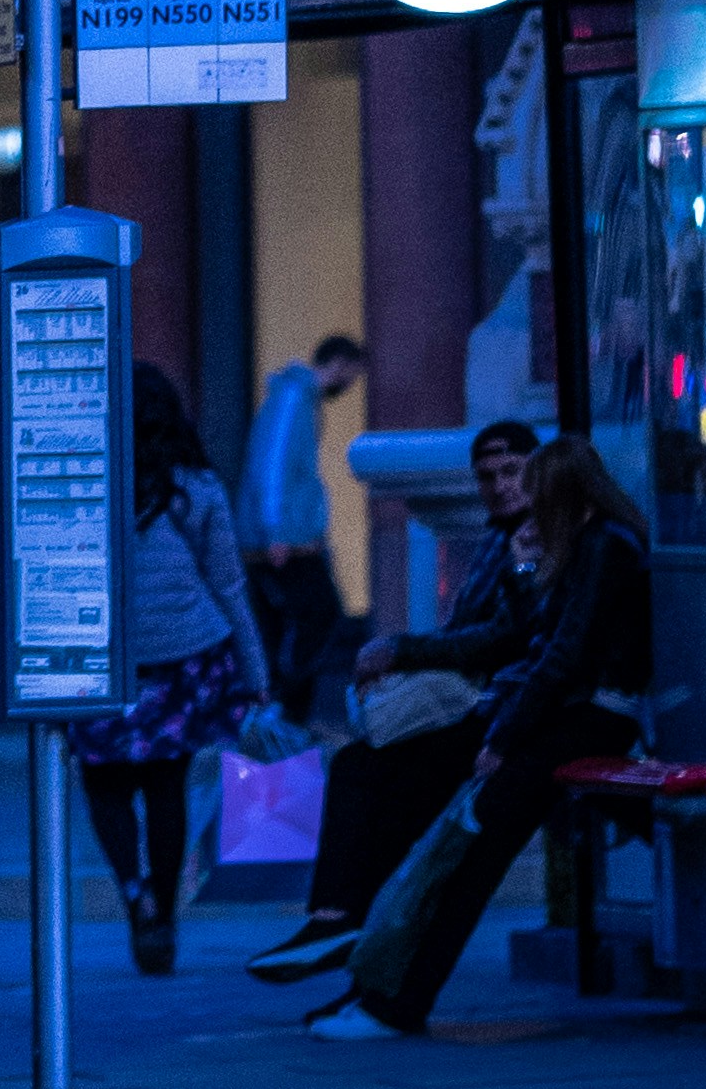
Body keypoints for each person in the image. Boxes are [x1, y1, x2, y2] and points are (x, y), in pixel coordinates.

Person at [313, 430, 653, 1034]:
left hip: (590, 718)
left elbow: (561, 657)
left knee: (474, 847)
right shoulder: (591, 543)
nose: (524, 504)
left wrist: (503, 740)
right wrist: (526, 567)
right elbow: (536, 634)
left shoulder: (605, 546)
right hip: (569, 717)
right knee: (460, 845)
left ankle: (399, 1000)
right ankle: (382, 988)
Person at [243, 418, 544, 980]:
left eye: (512, 471)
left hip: (514, 715)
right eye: (487, 477)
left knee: (387, 774)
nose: (500, 485)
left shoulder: (539, 537)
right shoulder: (503, 537)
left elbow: (514, 635)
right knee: (364, 765)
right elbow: (476, 628)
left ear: (540, 470)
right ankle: (339, 919)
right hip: (488, 705)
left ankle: (344, 922)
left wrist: (406, 652)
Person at [74, 369, 279, 976]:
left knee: (103, 783)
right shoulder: (198, 488)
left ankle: (133, 889)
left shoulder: (92, 481)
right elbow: (229, 586)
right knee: (166, 788)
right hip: (188, 654)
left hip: (103, 656)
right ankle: (164, 910)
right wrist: (256, 672)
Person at [234, 331, 369, 722]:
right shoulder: (294, 396)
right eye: (353, 374)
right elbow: (272, 465)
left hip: (289, 539)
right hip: (282, 544)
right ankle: (283, 706)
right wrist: (276, 531)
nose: (349, 385)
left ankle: (285, 712)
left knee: (294, 622)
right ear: (340, 364)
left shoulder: (300, 398)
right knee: (317, 616)